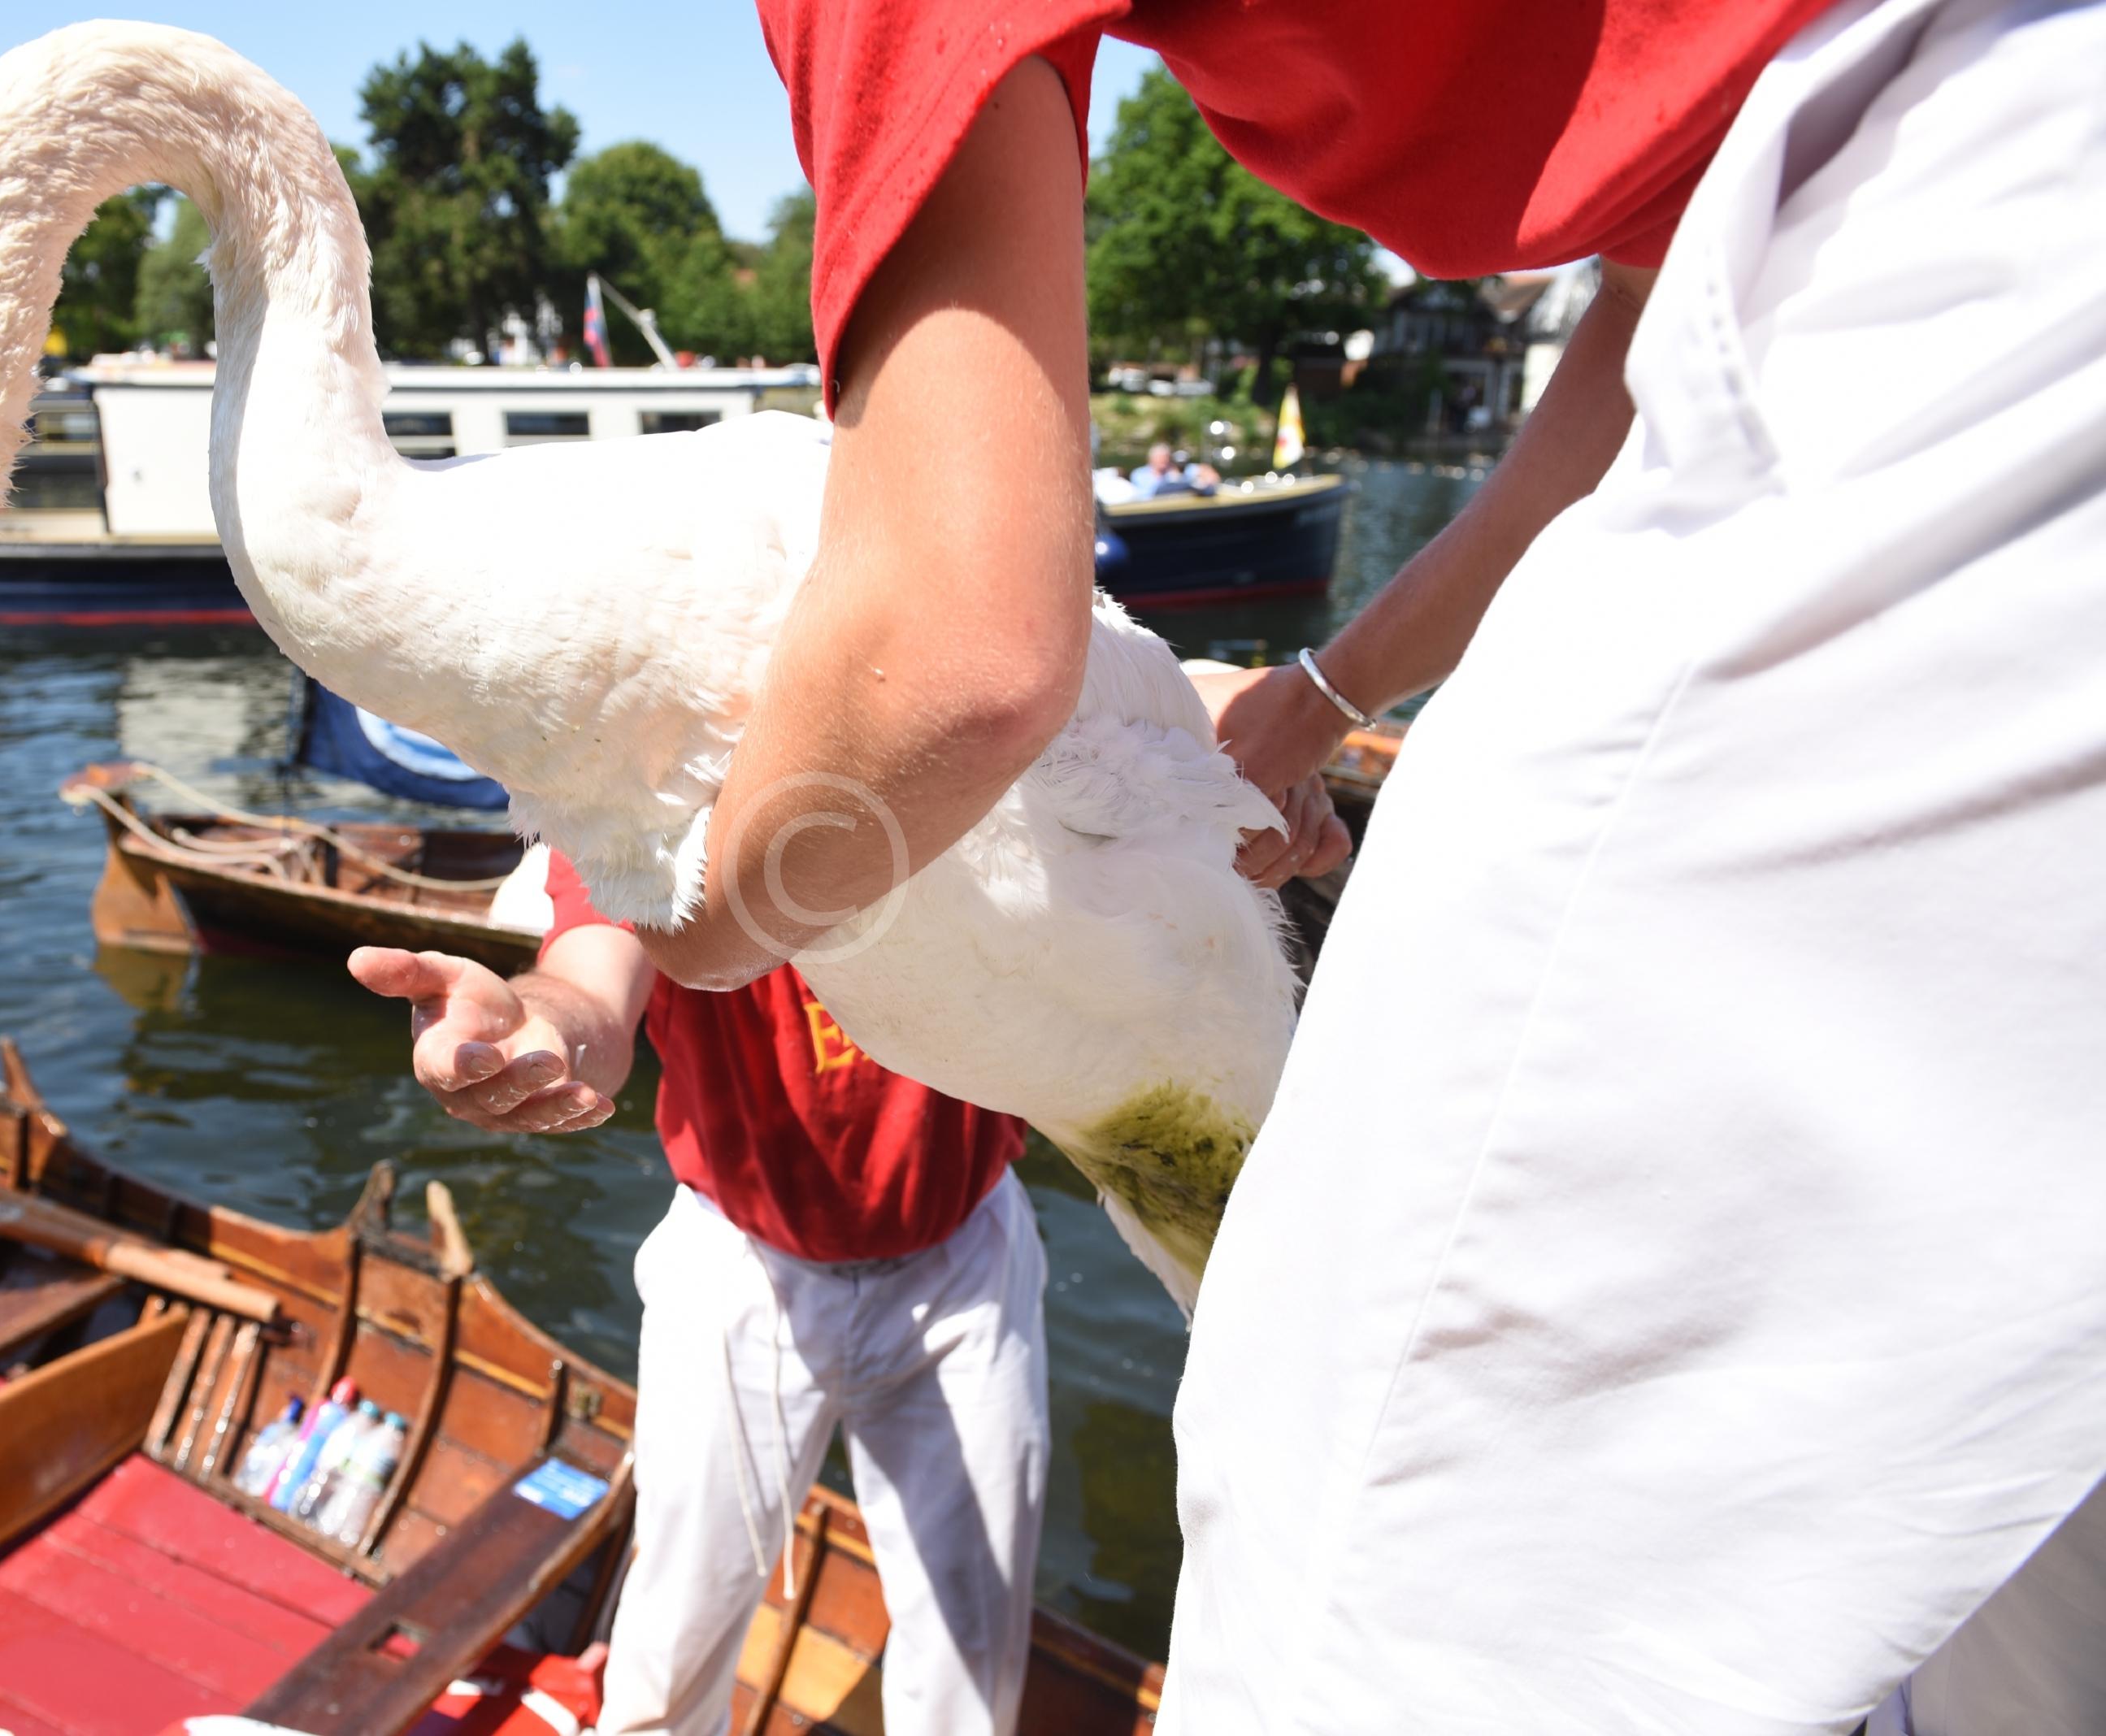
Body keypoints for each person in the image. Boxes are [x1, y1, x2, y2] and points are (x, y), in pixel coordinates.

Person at [626, 0, 2106, 1729]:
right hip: (1983, 245)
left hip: (1940, 327)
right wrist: (1319, 696)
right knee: (2018, 1574)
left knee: (1356, 1541)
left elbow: (956, 646)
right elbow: (1654, 329)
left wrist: (696, 914)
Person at [350, 848, 1048, 1736]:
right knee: (682, 1613)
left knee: (974, 1632)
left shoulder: (984, 768)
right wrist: (542, 1030)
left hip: (965, 1248)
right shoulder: (655, 791)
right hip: (742, 1261)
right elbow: (592, 983)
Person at [1129, 440, 1218, 498]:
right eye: (1160, 458)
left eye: (1166, 458)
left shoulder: (1176, 469)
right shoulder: (1139, 474)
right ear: (1151, 459)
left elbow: (1206, 471)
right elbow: (1150, 494)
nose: (1163, 461)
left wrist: (1207, 481)